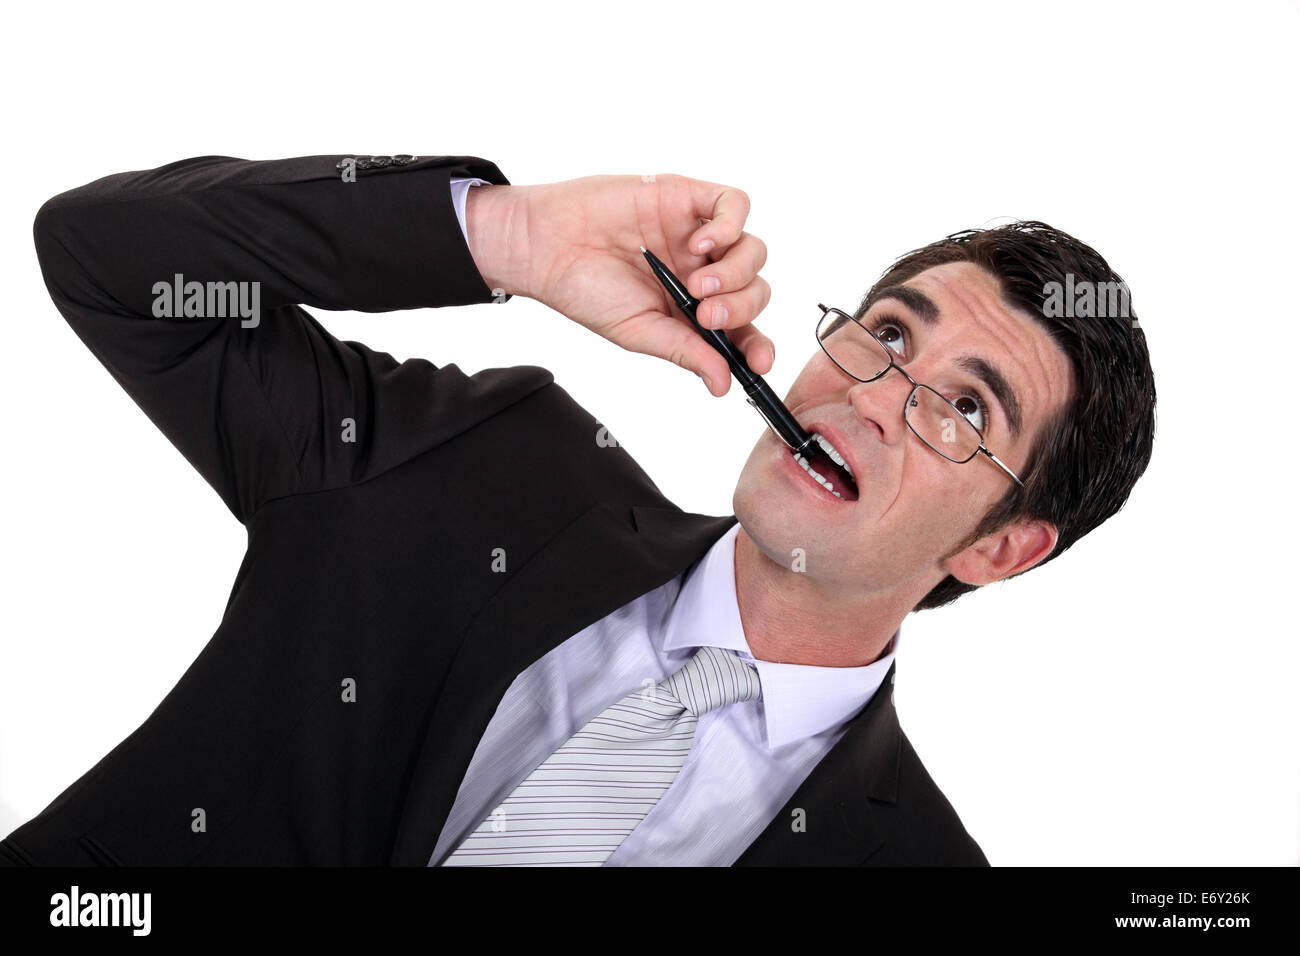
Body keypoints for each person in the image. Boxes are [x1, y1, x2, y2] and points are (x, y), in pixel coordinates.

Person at [1, 152, 1154, 867]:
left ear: (1003, 547)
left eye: (962, 407)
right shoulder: (486, 464)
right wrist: (506, 236)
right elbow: (109, 263)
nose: (871, 394)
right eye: (889, 332)